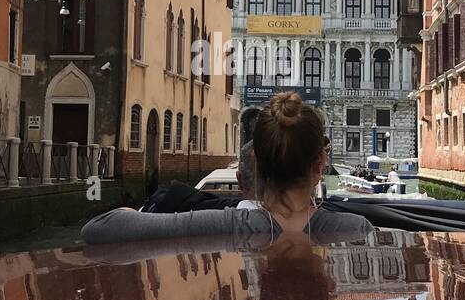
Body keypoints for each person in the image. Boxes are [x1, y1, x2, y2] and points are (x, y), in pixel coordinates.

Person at [81, 92, 371, 248]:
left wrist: (135, 213)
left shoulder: (213, 225)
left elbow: (98, 229)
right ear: (320, 164)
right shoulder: (355, 228)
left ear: (256, 159)